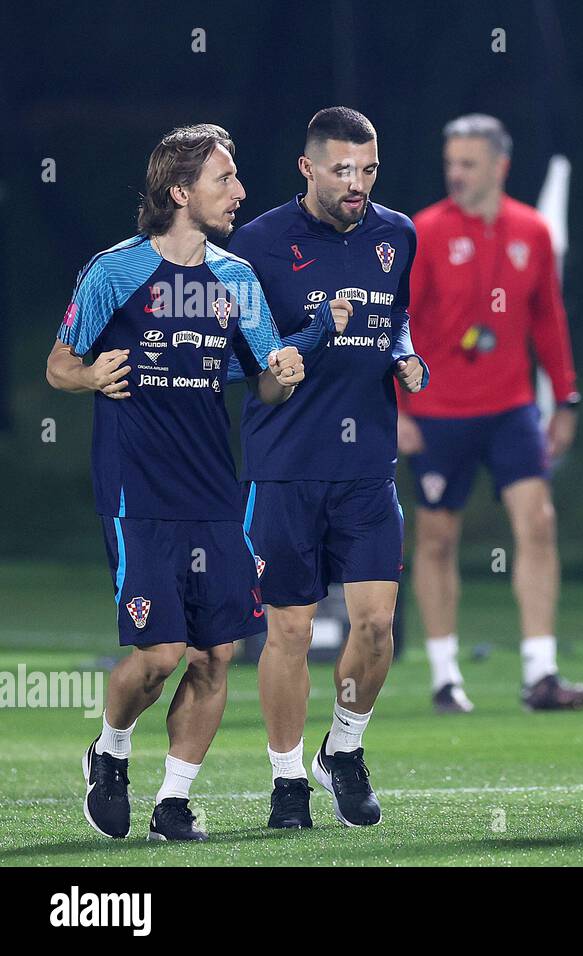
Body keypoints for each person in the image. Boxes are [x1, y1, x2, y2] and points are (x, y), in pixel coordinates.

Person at [46, 124, 308, 841]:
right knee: (160, 655)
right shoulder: (115, 272)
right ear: (180, 192)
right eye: (225, 180)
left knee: (215, 653)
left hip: (214, 493)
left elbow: (264, 381)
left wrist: (283, 375)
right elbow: (59, 364)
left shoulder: (236, 280)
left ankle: (174, 801)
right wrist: (91, 373)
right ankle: (111, 749)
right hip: (137, 490)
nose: (240, 193)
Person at [227, 107, 427, 829]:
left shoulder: (397, 233)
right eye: (342, 169)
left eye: (368, 169)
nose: (357, 184)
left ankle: (342, 751)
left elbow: (397, 311)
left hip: (368, 466)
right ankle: (286, 782)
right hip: (284, 467)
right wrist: (294, 352)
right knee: (290, 631)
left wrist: (405, 352)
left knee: (376, 629)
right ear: (307, 168)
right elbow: (252, 368)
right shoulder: (257, 243)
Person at [400, 113, 583, 714]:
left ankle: (540, 673)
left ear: (499, 167)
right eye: (450, 163)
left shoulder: (530, 230)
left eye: (468, 164)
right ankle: (443, 675)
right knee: (436, 538)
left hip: (511, 407)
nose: (455, 174)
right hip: (435, 410)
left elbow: (548, 320)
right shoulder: (424, 232)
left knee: (537, 521)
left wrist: (565, 398)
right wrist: (400, 407)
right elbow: (396, 323)